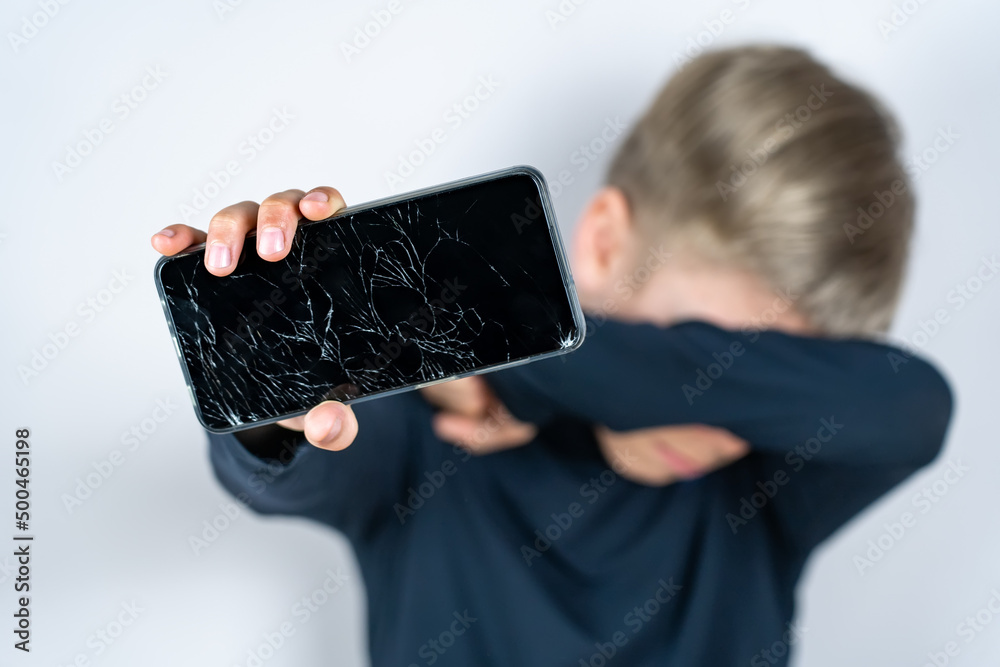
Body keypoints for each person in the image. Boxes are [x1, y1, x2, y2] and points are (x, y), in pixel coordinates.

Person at [150, 45, 953, 666]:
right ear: (604, 244)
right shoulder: (424, 445)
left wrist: (510, 371)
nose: (725, 411)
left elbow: (910, 405)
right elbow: (273, 466)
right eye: (711, 354)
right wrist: (276, 384)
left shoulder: (767, 492)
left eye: (769, 385)